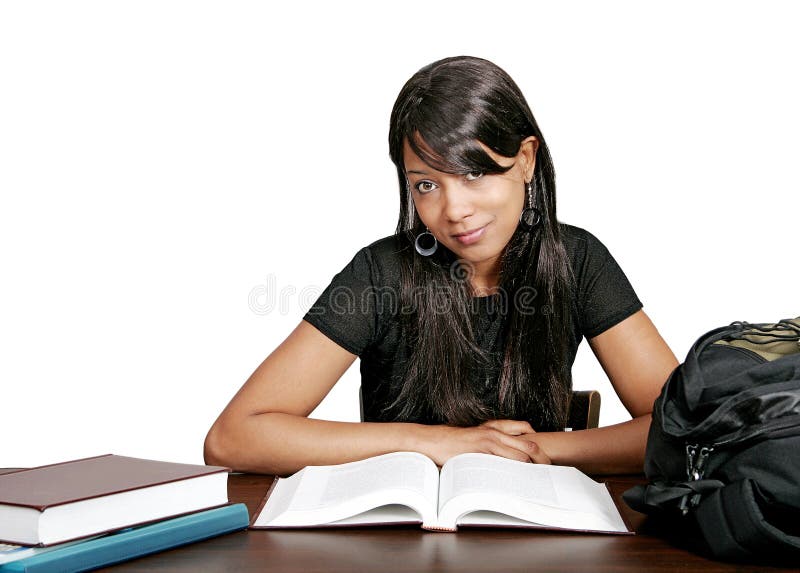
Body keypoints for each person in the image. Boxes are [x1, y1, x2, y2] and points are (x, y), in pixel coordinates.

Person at [204, 56, 678, 477]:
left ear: (525, 159)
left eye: (473, 173)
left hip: (532, 524)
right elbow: (232, 437)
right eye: (426, 185)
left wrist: (529, 450)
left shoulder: (578, 261)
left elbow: (684, 429)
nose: (454, 211)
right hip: (403, 529)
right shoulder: (380, 272)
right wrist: (435, 443)